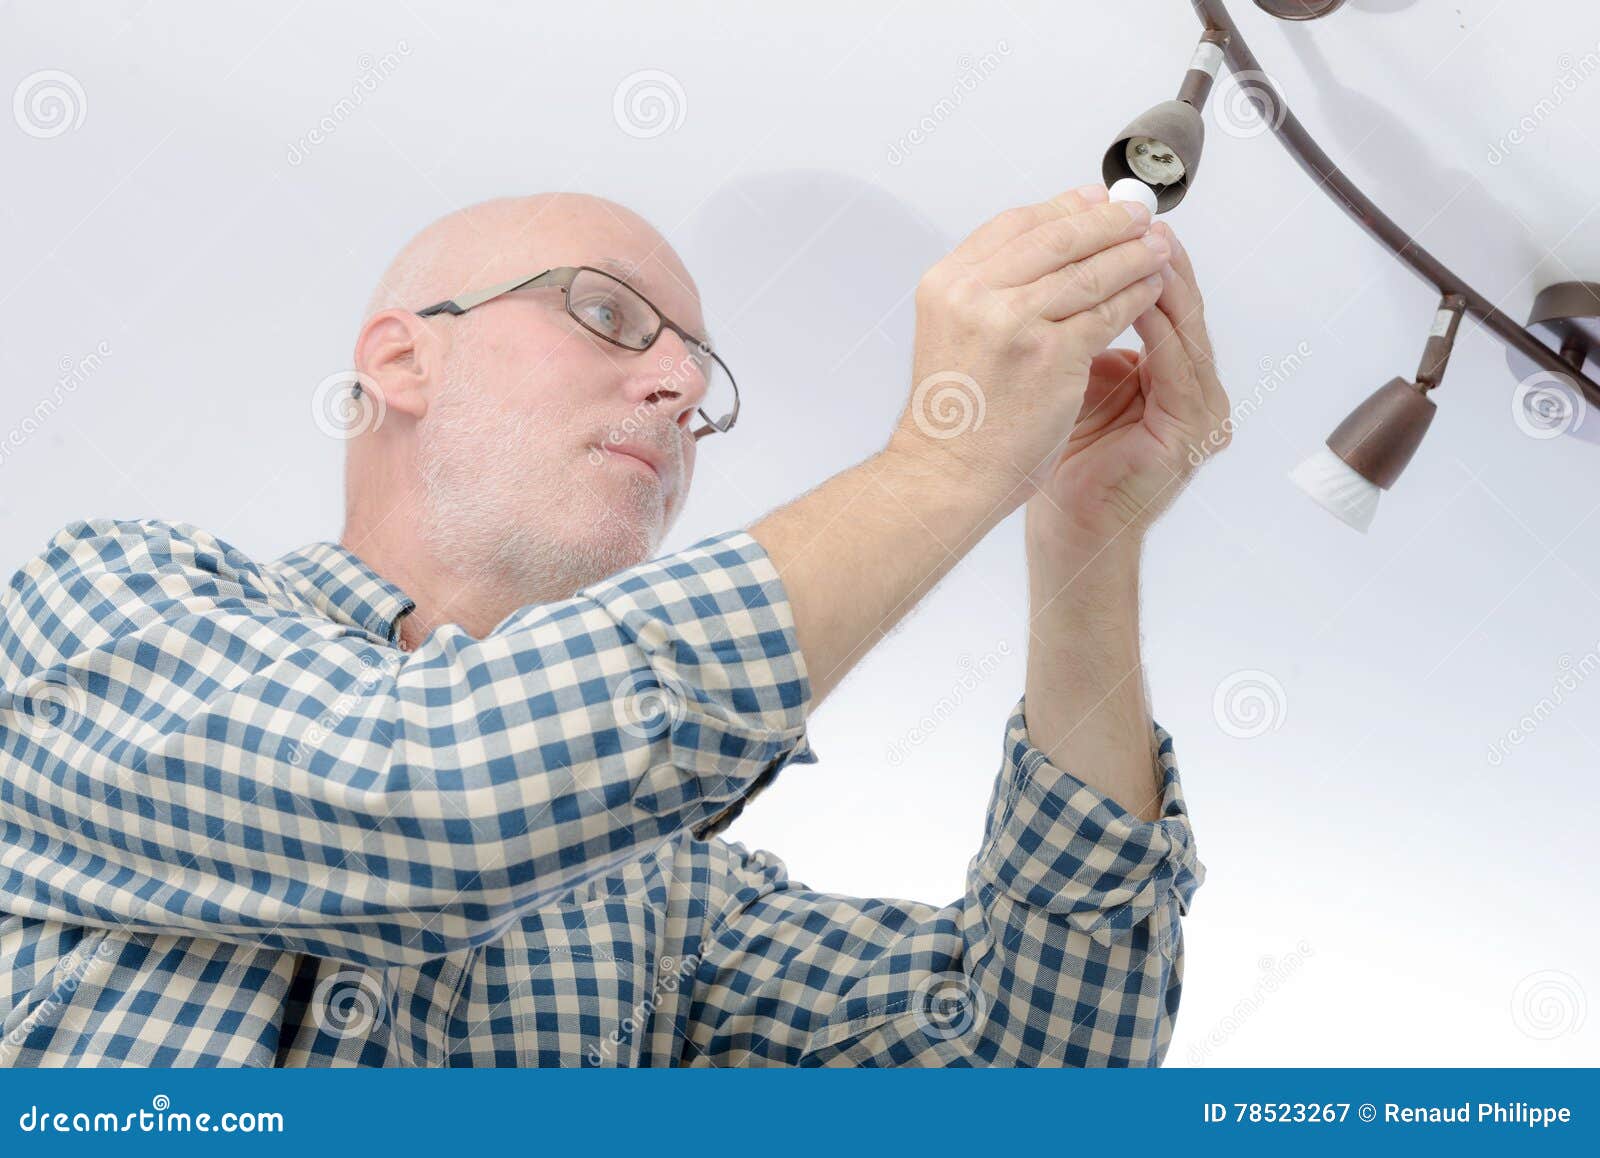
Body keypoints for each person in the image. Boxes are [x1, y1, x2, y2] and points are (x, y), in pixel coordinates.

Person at [0, 185, 1229, 1067]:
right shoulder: (95, 610)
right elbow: (426, 794)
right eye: (606, 313)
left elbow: (1046, 1059)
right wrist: (940, 467)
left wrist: (1085, 542)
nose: (681, 386)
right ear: (400, 359)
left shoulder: (669, 906)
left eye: (698, 369)